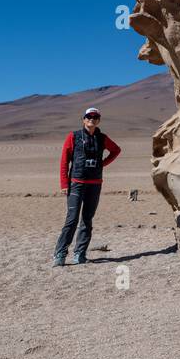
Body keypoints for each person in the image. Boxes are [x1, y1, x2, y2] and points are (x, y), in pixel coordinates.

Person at [54, 108, 121, 266]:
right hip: (76, 183)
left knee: (87, 220)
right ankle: (60, 254)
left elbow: (116, 150)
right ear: (83, 119)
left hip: (95, 184)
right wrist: (64, 184)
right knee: (71, 219)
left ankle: (80, 254)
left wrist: (102, 164)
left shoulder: (102, 138)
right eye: (89, 117)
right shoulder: (74, 136)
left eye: (95, 117)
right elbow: (64, 161)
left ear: (98, 120)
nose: (92, 119)